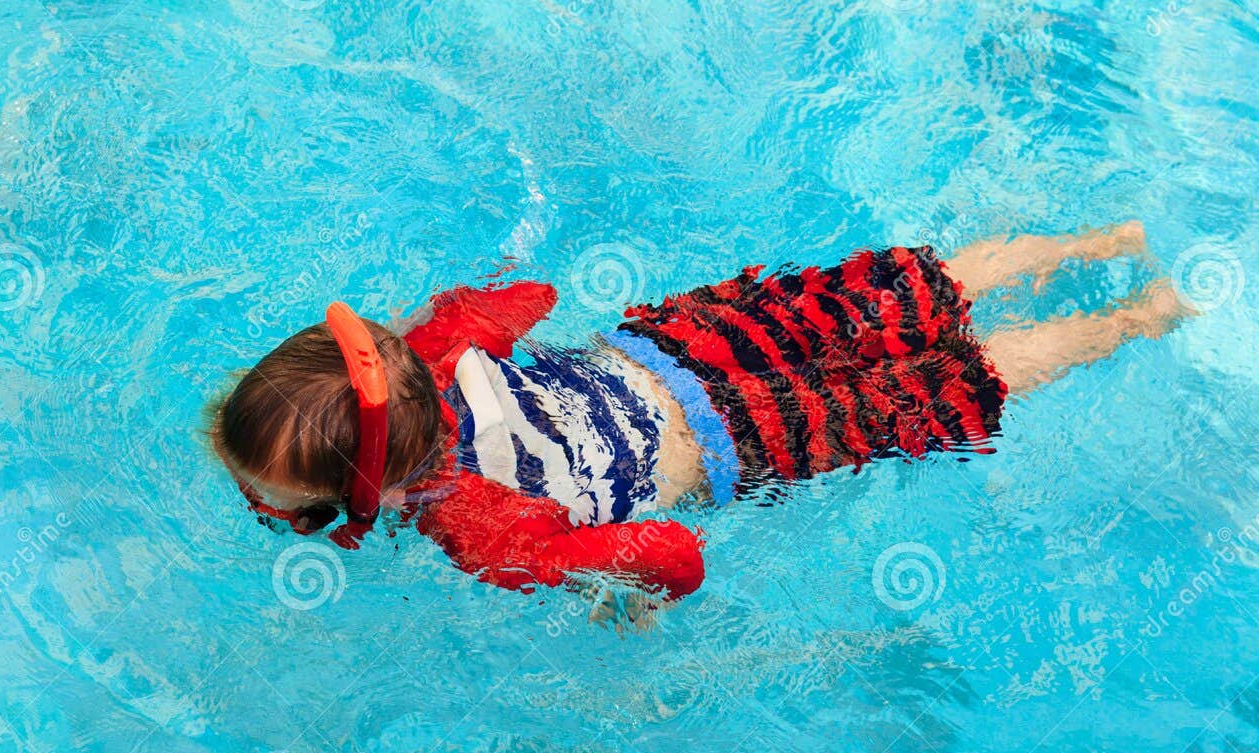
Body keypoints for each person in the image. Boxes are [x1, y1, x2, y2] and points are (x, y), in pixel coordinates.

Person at [212, 224, 1187, 608]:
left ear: (363, 488)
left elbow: (676, 551)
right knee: (901, 290)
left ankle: (1144, 317)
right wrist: (439, 317)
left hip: (732, 436)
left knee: (958, 381)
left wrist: (630, 606)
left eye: (289, 506)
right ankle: (1113, 238)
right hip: (680, 346)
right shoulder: (441, 344)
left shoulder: (480, 530)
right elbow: (537, 296)